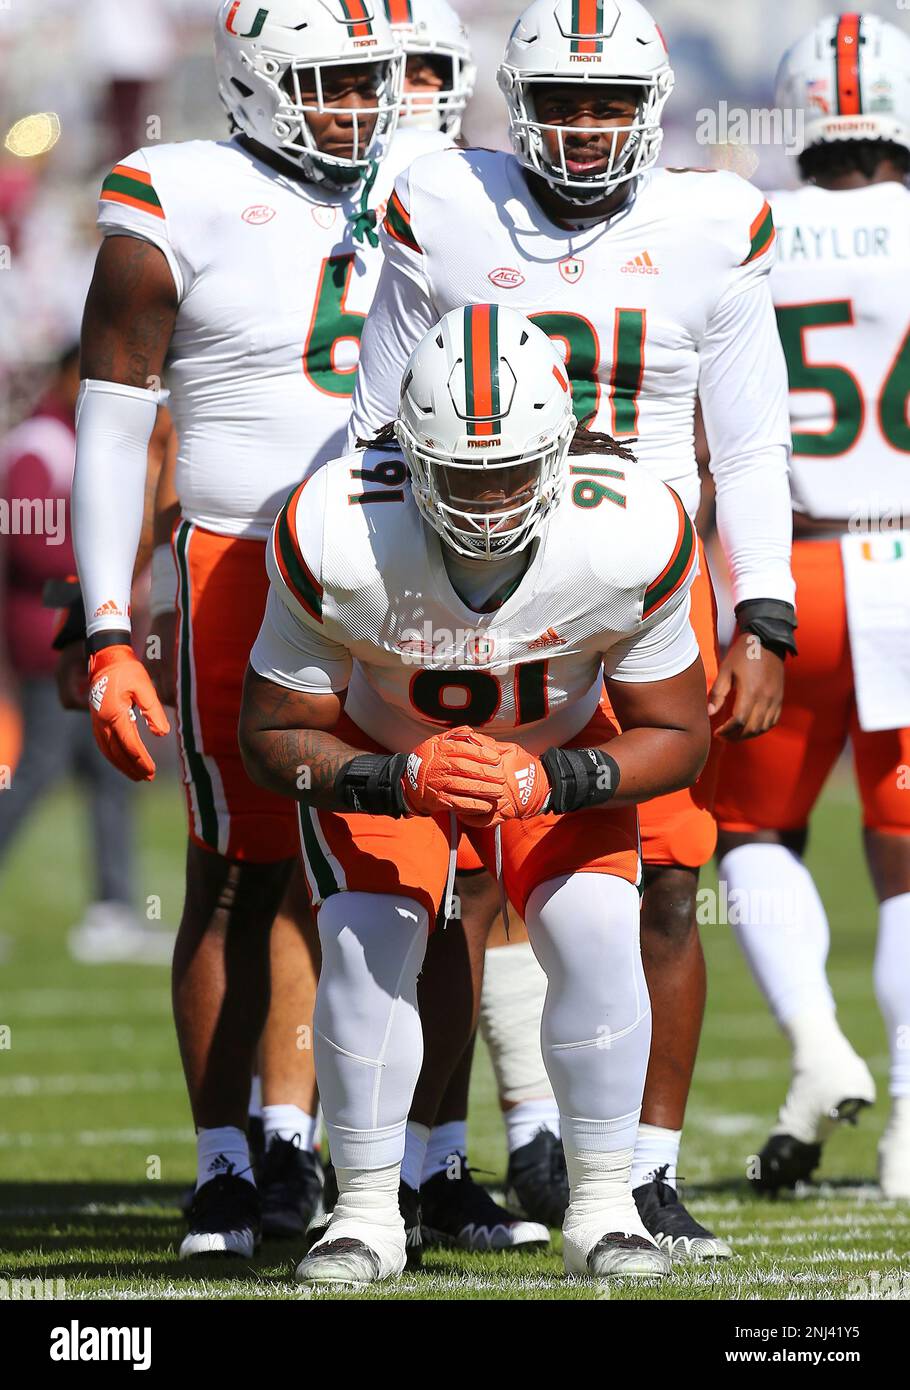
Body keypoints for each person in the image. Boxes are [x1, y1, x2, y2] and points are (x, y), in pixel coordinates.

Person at [347, 0, 796, 1259]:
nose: (585, 128)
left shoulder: (712, 222)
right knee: (443, 874)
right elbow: (378, 431)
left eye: (608, 103)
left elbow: (750, 440)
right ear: (515, 103)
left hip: (643, 585)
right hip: (469, 580)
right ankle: (434, 1164)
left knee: (661, 879)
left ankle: (641, 1169)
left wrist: (761, 609)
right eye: (559, 102)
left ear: (649, 108)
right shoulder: (442, 201)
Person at [70, 0, 450, 1259]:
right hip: (237, 553)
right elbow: (114, 425)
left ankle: (408, 1163)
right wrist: (109, 623)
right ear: (256, 81)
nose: (357, 105)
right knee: (235, 870)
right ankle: (228, 1164)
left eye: (370, 79)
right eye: (329, 80)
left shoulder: (429, 172)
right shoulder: (176, 193)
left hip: (404, 557)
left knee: (410, 865)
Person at [239, 305, 710, 1285]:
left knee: (594, 929)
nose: (489, 499)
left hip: (559, 753)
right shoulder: (335, 529)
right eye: (460, 472)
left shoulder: (629, 526)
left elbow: (681, 734)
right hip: (390, 754)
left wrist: (559, 777)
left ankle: (603, 1205)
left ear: (562, 444)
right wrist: (389, 778)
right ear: (408, 450)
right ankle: (367, 1209)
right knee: (368, 943)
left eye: (509, 470)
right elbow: (269, 736)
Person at [715, 12, 910, 1199]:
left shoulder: (745, 228)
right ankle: (908, 1135)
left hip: (787, 568)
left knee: (748, 833)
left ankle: (816, 1042)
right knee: (906, 862)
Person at [0, 346, 170, 964]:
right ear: (66, 375)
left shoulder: (77, 441)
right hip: (52, 637)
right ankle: (115, 906)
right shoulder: (39, 444)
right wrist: (108, 564)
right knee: (35, 773)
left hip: (86, 635)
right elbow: (29, 542)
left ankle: (114, 908)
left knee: (110, 771)